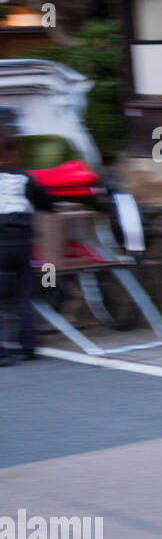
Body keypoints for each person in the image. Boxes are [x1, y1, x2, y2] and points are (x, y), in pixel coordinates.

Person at [0, 123, 55, 365]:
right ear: (13, 153)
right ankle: (28, 346)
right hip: (21, 243)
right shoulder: (24, 177)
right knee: (24, 295)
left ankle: (2, 352)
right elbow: (47, 203)